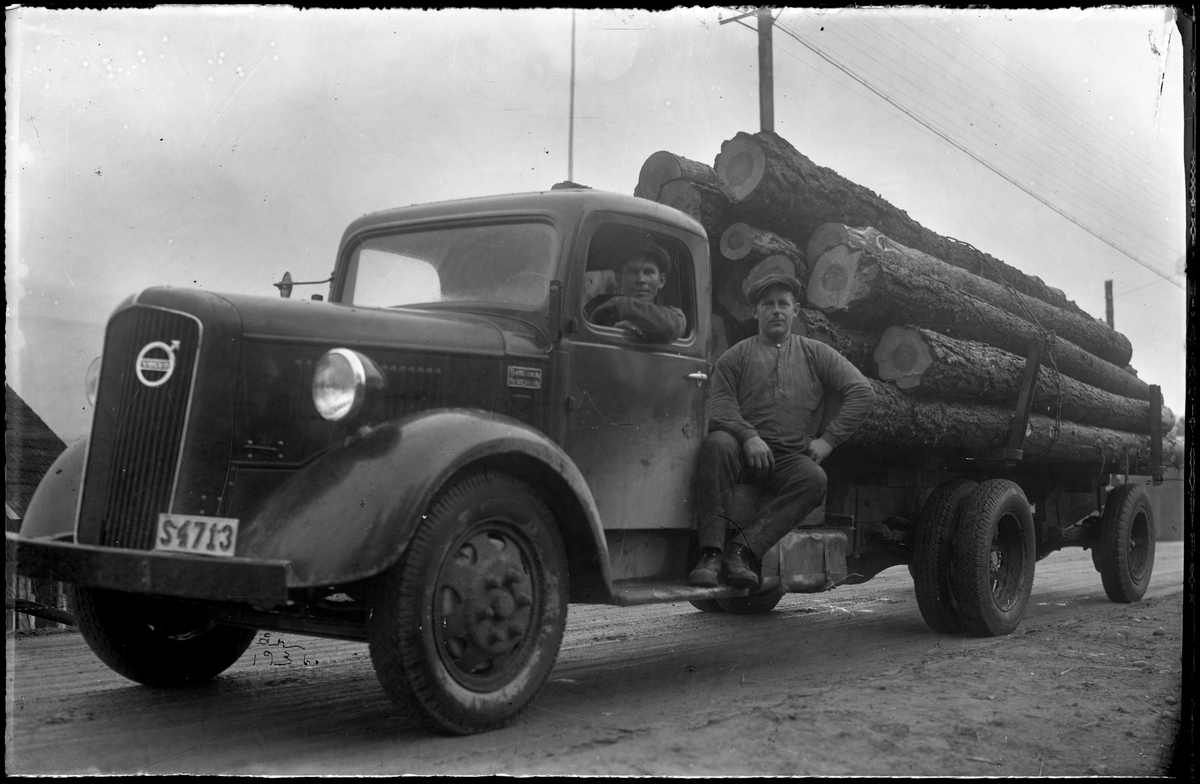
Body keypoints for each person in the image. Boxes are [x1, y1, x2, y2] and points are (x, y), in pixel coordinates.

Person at [688, 272, 876, 589]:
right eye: (768, 304)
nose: (776, 310)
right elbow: (719, 407)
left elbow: (862, 392)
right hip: (742, 453)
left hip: (789, 458)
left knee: (814, 479)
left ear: (795, 311)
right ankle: (710, 554)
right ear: (755, 312)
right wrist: (749, 436)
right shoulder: (736, 356)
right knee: (717, 444)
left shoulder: (816, 353)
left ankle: (742, 553)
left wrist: (829, 440)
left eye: (783, 304)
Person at [584, 241, 687, 343]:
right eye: (633, 271)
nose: (641, 279)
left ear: (661, 281)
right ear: (619, 279)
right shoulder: (598, 303)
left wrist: (620, 303)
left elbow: (669, 327)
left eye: (648, 272)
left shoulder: (674, 315)